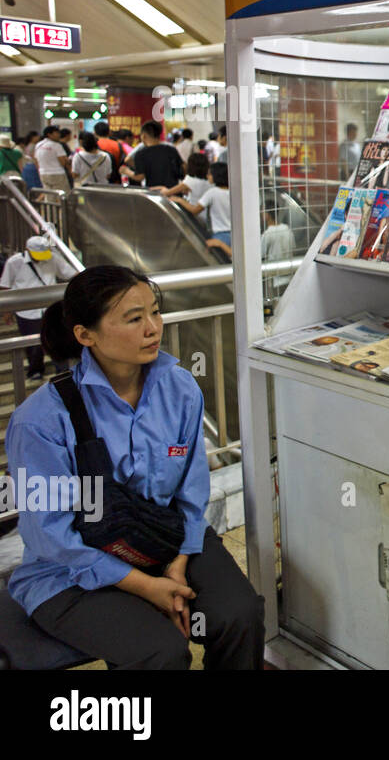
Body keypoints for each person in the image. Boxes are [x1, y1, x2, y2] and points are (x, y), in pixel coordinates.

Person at [4, 265, 265, 669]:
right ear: (85, 335)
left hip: (162, 540)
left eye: (155, 312)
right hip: (71, 569)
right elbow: (49, 534)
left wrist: (178, 567)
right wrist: (147, 587)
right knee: (160, 650)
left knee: (239, 614)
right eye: (133, 318)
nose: (153, 328)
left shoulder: (180, 390)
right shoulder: (40, 421)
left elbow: (192, 492)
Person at [0, 235, 76, 380]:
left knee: (57, 338)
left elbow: (71, 273)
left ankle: (62, 370)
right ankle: (35, 370)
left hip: (52, 308)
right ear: (27, 250)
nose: (41, 259)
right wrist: (7, 310)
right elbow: (5, 285)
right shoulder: (14, 262)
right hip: (26, 311)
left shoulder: (52, 258)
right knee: (33, 344)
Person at [176, 161, 231, 249]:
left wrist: (180, 200)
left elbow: (195, 210)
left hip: (220, 236)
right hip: (235, 235)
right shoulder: (233, 192)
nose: (207, 176)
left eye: (209, 174)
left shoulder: (212, 193)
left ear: (216, 175)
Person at [122, 121, 185, 189]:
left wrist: (126, 171)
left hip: (154, 192)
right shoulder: (171, 148)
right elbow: (184, 166)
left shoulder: (141, 154)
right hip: (172, 190)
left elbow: (140, 177)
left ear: (143, 135)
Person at [34, 125, 72, 192]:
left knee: (49, 196)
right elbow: (63, 162)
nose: (59, 135)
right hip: (57, 174)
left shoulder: (38, 145)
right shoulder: (56, 145)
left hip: (43, 173)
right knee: (63, 195)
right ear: (49, 134)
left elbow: (36, 160)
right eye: (57, 133)